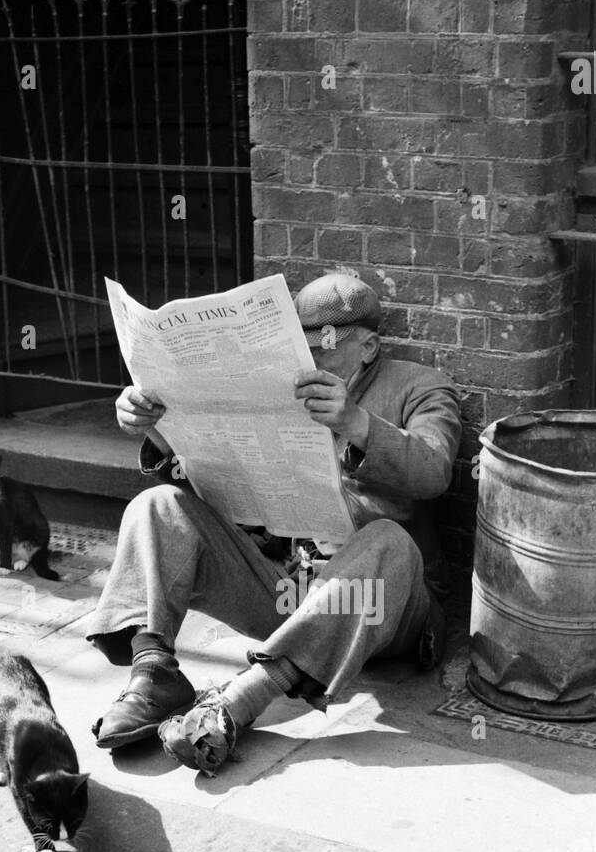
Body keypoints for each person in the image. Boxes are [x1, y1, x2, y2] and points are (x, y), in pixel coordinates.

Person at [87, 272, 462, 776]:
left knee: (387, 540)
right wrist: (156, 429)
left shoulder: (420, 387)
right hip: (288, 590)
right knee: (159, 505)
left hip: (385, 606)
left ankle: (239, 702)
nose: (307, 363)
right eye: (299, 348)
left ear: (369, 346)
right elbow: (211, 484)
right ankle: (153, 672)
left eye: (323, 348)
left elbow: (434, 471)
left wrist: (358, 424)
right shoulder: (273, 390)